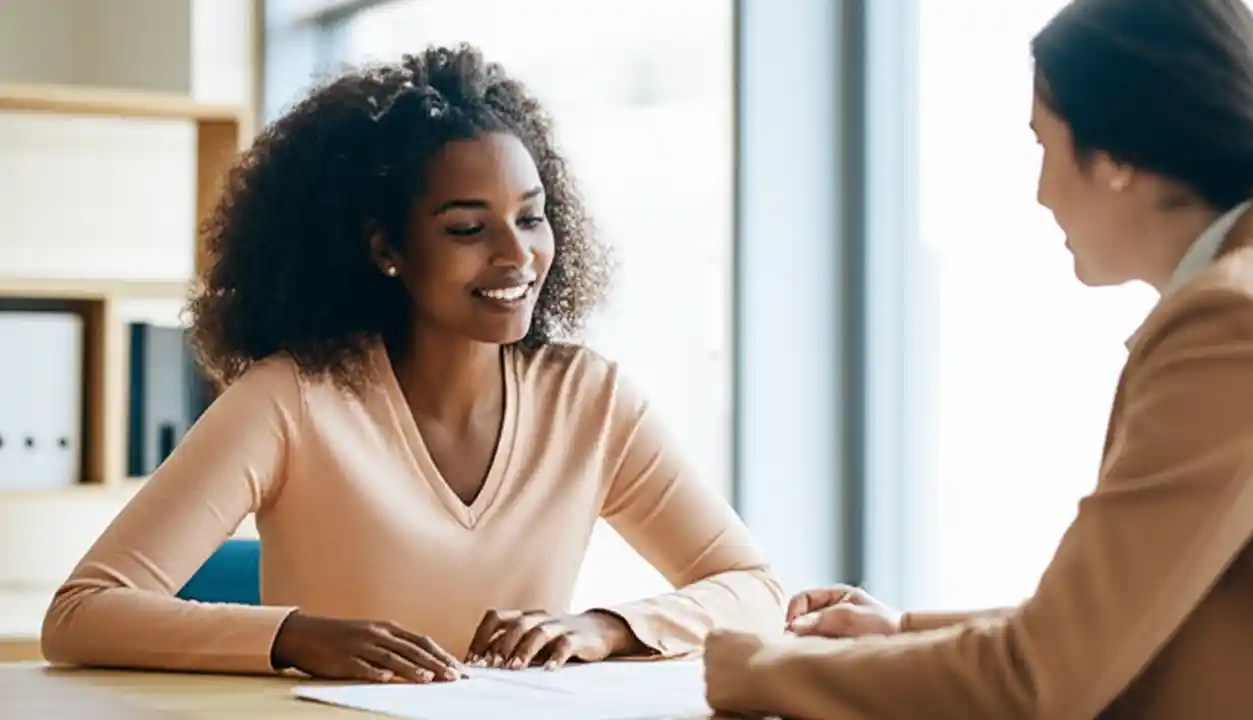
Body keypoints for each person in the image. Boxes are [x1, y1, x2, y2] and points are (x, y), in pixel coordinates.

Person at [41, 44, 783, 683]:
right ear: (384, 248)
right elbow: (81, 613)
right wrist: (294, 637)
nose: (517, 254)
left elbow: (753, 588)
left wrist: (606, 627)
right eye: (468, 226)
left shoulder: (589, 399)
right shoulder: (291, 401)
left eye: (530, 216)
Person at [705, 0, 1253, 717]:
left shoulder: (1234, 325)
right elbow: (1123, 625)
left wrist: (761, 671)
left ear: (1119, 159)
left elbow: (1040, 679)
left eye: (1043, 146)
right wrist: (897, 633)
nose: (1040, 194)